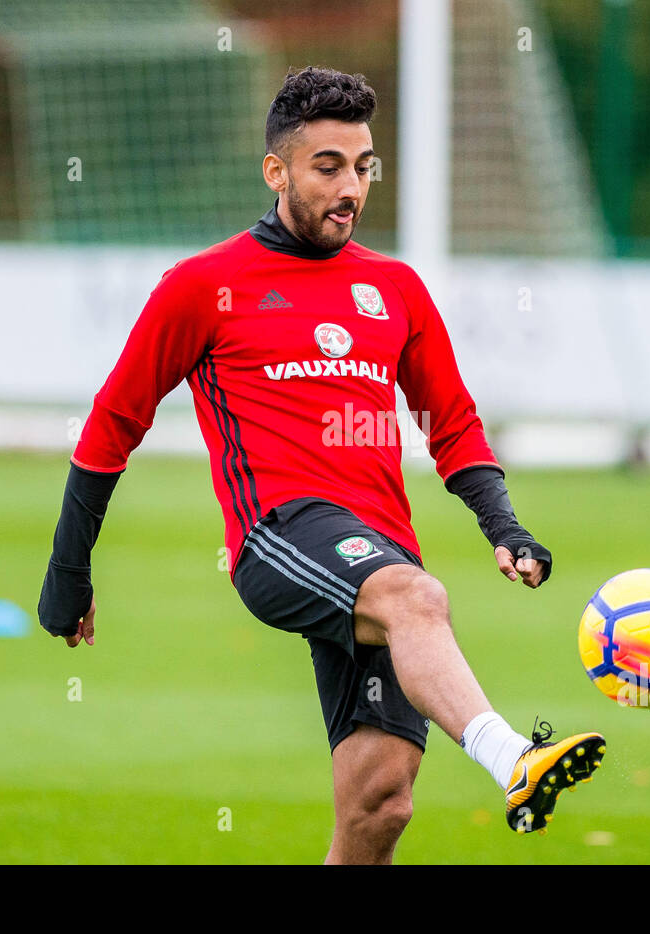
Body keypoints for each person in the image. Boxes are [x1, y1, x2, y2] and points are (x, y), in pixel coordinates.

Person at [38, 66, 604, 864]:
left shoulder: (394, 287)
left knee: (380, 806)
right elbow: (113, 422)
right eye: (328, 166)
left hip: (379, 552)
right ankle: (515, 757)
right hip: (279, 536)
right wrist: (69, 568)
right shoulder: (204, 286)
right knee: (418, 596)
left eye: (364, 166)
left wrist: (503, 523)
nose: (351, 187)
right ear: (277, 171)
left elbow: (453, 421)